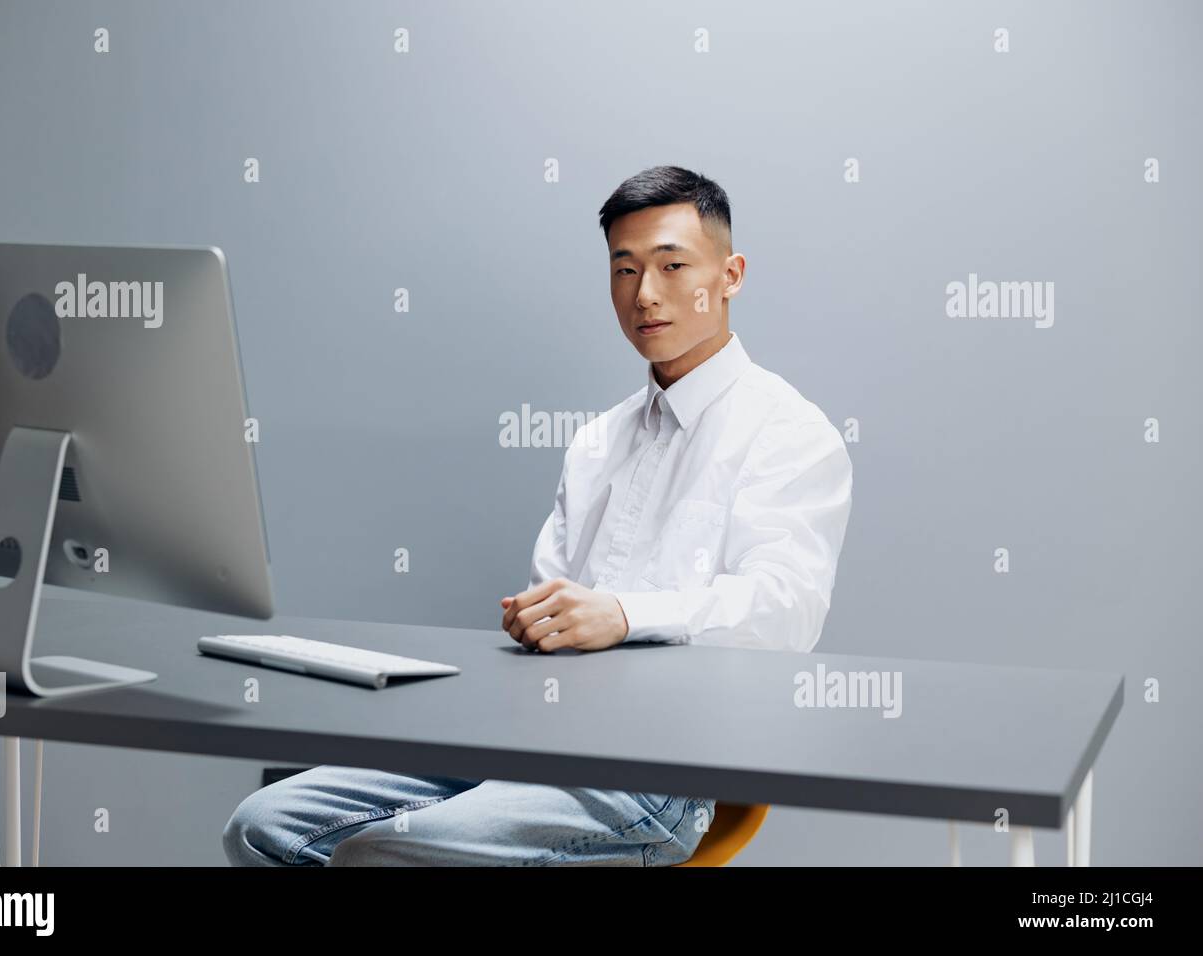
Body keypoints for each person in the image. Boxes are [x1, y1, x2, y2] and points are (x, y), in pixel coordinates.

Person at [222, 165, 853, 866]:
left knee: (386, 855)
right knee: (262, 825)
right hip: (532, 739)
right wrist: (539, 624)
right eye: (624, 269)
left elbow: (786, 612)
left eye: (673, 265)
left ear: (729, 275)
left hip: (662, 771)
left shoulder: (788, 431)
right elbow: (551, 612)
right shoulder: (597, 442)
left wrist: (622, 613)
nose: (645, 294)